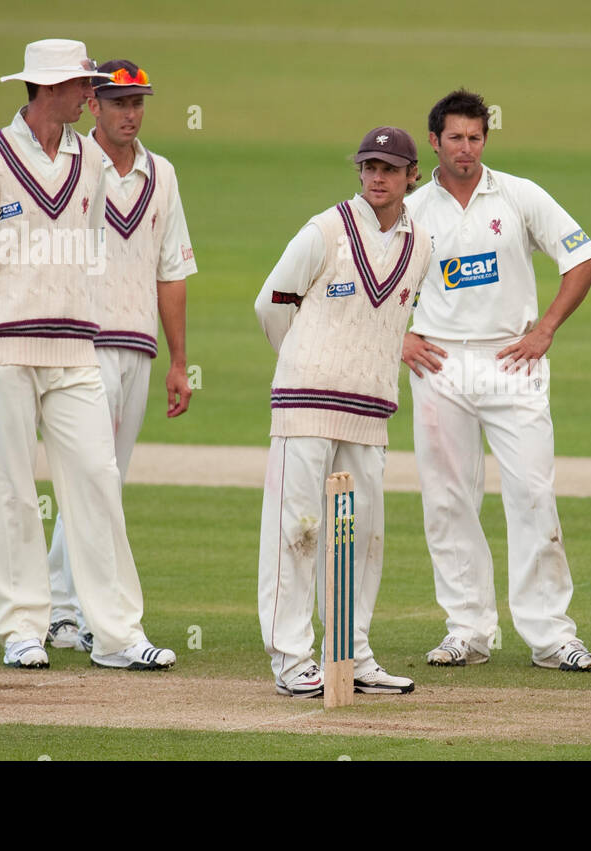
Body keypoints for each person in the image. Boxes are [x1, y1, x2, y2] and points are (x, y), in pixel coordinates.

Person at [0, 39, 176, 670]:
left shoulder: (90, 163)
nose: (88, 94)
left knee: (97, 481)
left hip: (76, 347)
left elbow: (87, 251)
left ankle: (119, 635)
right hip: (4, 348)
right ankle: (22, 631)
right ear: (45, 89)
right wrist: (10, 299)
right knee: (11, 486)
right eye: (79, 85)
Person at [402, 89, 591, 672]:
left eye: (476, 138)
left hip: (512, 360)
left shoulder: (518, 195)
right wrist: (400, 338)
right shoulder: (414, 210)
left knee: (533, 494)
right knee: (447, 499)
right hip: (439, 365)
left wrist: (546, 329)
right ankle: (466, 629)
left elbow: (583, 257)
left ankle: (550, 636)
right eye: (455, 139)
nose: (466, 149)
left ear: (485, 139)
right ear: (434, 142)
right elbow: (373, 279)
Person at [255, 126, 431, 698]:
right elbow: (272, 304)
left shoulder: (422, 245)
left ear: (411, 176)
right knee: (298, 530)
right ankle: (290, 659)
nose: (377, 177)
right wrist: (305, 365)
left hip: (371, 412)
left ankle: (350, 654)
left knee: (361, 539)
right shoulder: (324, 231)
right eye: (369, 167)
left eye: (390, 169)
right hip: (306, 406)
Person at [45, 59, 197, 654]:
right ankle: (68, 611)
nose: (129, 114)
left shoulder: (163, 174)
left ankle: (71, 610)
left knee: (107, 479)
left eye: (137, 103)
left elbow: (172, 269)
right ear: (93, 106)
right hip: (81, 343)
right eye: (117, 103)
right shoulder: (70, 168)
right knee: (94, 477)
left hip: (137, 346)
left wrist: (179, 361)